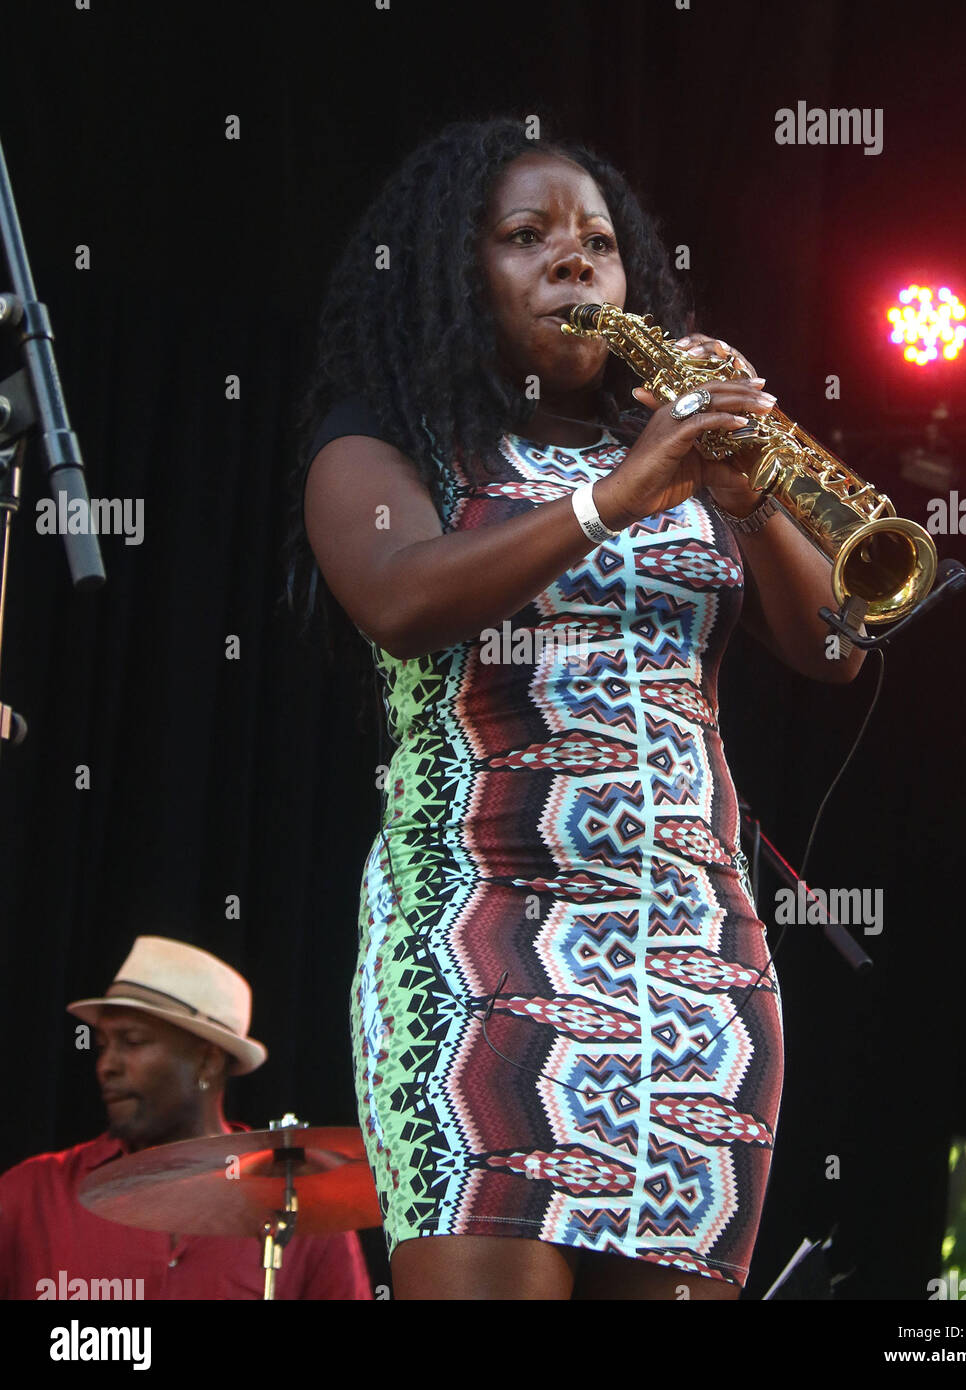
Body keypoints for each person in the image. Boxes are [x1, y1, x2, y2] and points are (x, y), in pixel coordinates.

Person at [287, 117, 865, 1301]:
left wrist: (746, 491)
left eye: (599, 243)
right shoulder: (390, 442)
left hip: (692, 958)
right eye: (525, 236)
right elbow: (400, 600)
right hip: (479, 934)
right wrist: (617, 496)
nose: (573, 259)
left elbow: (831, 648)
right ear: (456, 273)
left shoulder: (673, 451)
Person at [0, 936, 372, 1299]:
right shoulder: (29, 1195)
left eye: (132, 1041)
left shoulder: (301, 1206)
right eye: (103, 1044)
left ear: (207, 1061)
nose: (106, 1065)